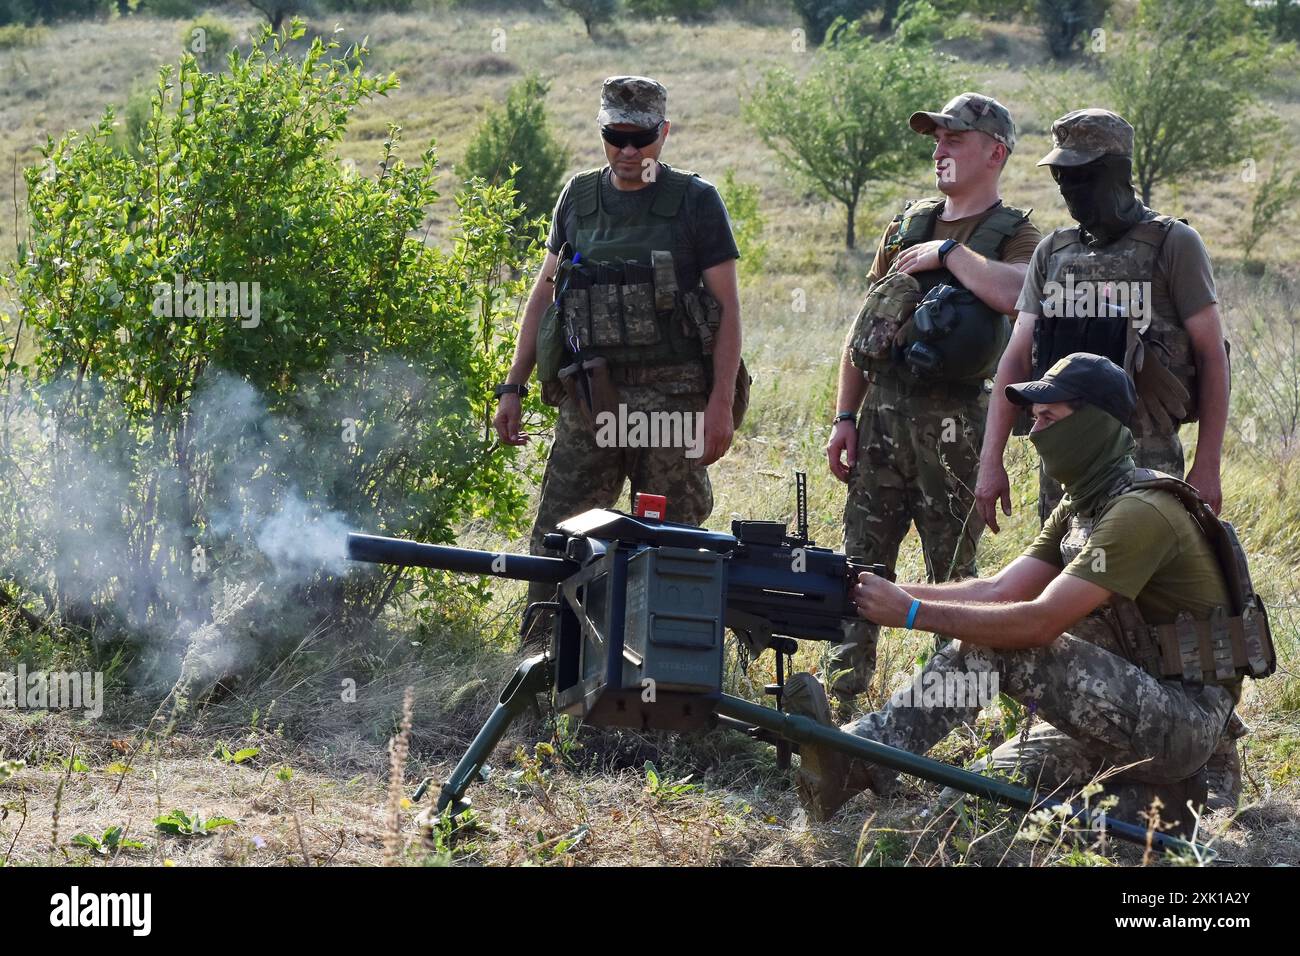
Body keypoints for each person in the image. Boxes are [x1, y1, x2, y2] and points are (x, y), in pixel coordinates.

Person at [788, 354, 1272, 829]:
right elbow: (998, 589)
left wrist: (912, 613)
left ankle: (855, 756)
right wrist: (863, 590)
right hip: (1126, 710)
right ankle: (1158, 806)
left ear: (1093, 425)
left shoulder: (1139, 513)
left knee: (1005, 646)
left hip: (1184, 726)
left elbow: (1040, 622)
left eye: (1048, 418)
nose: (1034, 433)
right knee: (974, 803)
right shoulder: (1085, 503)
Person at [974, 108, 1241, 806]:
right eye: (1063, 179)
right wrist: (991, 458)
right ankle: (1067, 735)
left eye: (1086, 178)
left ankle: (1211, 749)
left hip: (1145, 458)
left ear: (1119, 173)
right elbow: (1018, 356)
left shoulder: (1171, 246)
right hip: (1061, 451)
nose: (1073, 192)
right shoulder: (1053, 252)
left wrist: (1207, 464)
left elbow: (1213, 356)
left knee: (1165, 613)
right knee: (1060, 598)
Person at [492, 76, 743, 639]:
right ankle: (545, 662)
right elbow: (544, 295)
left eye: (642, 137)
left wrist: (720, 404)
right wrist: (513, 386)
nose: (628, 151)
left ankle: (669, 662)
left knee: (672, 539)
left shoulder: (696, 202)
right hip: (591, 401)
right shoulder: (579, 198)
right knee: (561, 536)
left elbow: (728, 310)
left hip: (674, 402)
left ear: (665, 132)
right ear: (602, 131)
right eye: (615, 136)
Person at [824, 93, 1041, 719]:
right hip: (882, 417)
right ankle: (840, 704)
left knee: (953, 572)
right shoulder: (907, 223)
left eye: (955, 137)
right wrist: (845, 417)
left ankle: (948, 712)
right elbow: (864, 328)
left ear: (995, 151)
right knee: (859, 561)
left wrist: (951, 256)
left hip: (956, 426)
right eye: (936, 137)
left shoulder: (1015, 235)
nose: (940, 148)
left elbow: (1020, 295)